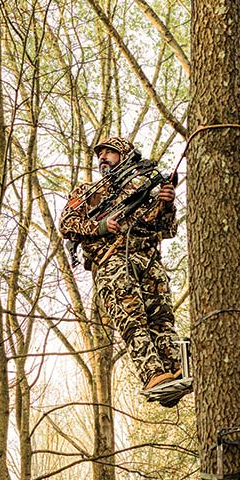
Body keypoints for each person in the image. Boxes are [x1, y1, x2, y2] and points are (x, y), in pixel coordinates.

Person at [60, 136, 190, 403]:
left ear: (127, 155)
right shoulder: (87, 192)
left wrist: (166, 203)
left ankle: (176, 368)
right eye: (101, 154)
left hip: (148, 260)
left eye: (111, 152)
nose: (103, 158)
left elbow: (166, 230)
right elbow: (67, 223)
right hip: (113, 261)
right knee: (133, 319)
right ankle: (154, 374)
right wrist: (100, 227)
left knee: (162, 319)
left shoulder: (143, 190)